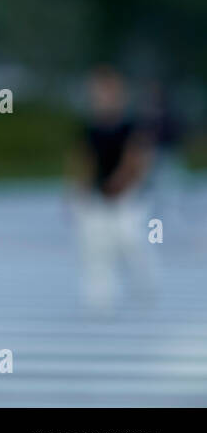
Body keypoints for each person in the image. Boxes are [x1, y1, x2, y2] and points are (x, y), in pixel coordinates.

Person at [68, 66, 157, 316]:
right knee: (94, 248)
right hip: (97, 196)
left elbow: (137, 158)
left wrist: (122, 181)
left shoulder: (131, 125)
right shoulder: (89, 128)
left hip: (127, 197)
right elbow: (82, 160)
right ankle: (98, 300)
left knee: (131, 242)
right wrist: (77, 191)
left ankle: (144, 286)